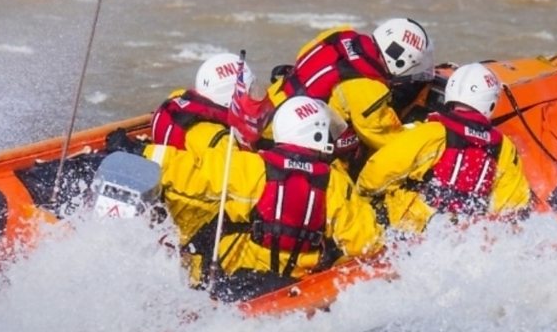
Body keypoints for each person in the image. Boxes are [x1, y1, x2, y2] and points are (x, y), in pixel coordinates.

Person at [142, 96, 382, 302]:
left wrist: (140, 151)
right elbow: (366, 244)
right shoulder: (335, 183)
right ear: (317, 134)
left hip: (232, 282)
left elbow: (186, 168)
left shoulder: (250, 167)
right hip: (293, 287)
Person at [356, 63, 531, 233]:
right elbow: (513, 206)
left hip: (409, 230)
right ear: (491, 103)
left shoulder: (433, 132)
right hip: (464, 234)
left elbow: (376, 174)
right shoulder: (503, 147)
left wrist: (363, 198)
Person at [267, 18, 435, 159]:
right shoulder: (368, 88)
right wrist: (424, 129)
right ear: (400, 61)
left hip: (271, 106)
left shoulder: (338, 33)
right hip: (283, 136)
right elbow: (388, 139)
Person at [148, 52, 254, 153]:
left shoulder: (180, 99)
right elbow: (238, 165)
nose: (254, 98)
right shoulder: (220, 141)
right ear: (229, 96)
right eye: (250, 92)